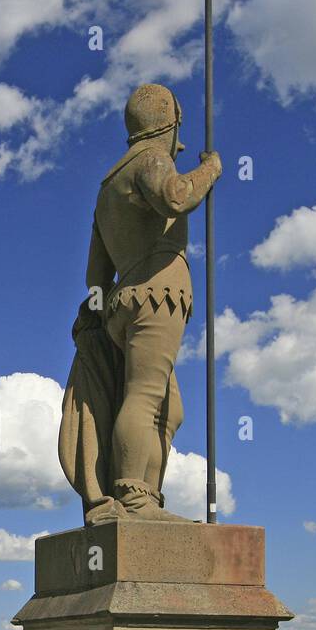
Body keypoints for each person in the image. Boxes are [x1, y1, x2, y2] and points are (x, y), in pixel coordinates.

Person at [60, 83, 221, 522]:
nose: (181, 144)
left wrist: (100, 312)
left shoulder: (107, 187)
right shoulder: (152, 161)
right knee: (146, 397)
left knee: (171, 410)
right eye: (178, 133)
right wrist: (210, 169)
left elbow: (95, 275)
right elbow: (176, 196)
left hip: (122, 300)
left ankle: (147, 494)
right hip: (156, 292)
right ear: (168, 125)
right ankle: (135, 499)